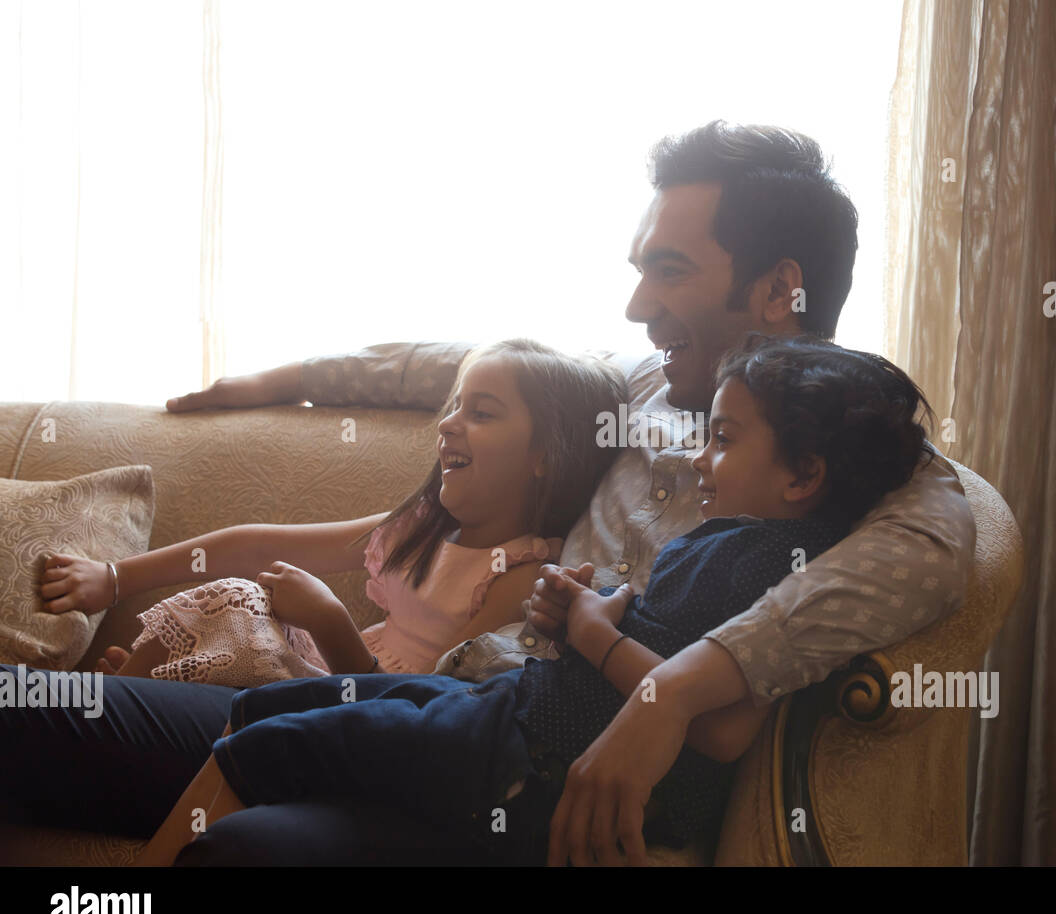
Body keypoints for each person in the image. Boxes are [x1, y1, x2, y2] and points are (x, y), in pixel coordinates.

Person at [0, 121, 976, 866]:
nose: (637, 307)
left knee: (250, 848)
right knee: (27, 707)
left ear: (779, 291)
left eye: (667, 272)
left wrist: (667, 690)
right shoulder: (641, 387)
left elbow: (944, 534)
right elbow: (449, 363)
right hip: (443, 700)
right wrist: (275, 381)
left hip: (522, 770)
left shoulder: (846, 453)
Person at [130, 336, 936, 866]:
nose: (699, 457)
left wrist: (593, 635)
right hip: (510, 716)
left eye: (724, 441)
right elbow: (673, 652)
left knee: (266, 736)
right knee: (278, 713)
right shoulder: (739, 536)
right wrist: (594, 610)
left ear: (803, 476)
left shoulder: (774, 566)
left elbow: (724, 730)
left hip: (521, 749)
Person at [34, 340, 625, 687]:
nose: (448, 425)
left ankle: (133, 691)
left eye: (483, 414)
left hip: (364, 712)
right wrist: (114, 579)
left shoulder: (519, 577)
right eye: (455, 407)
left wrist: (330, 619)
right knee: (241, 596)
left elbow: (429, 717)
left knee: (241, 613)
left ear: (545, 457)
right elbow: (257, 547)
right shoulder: (422, 527)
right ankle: (143, 682)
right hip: (333, 675)